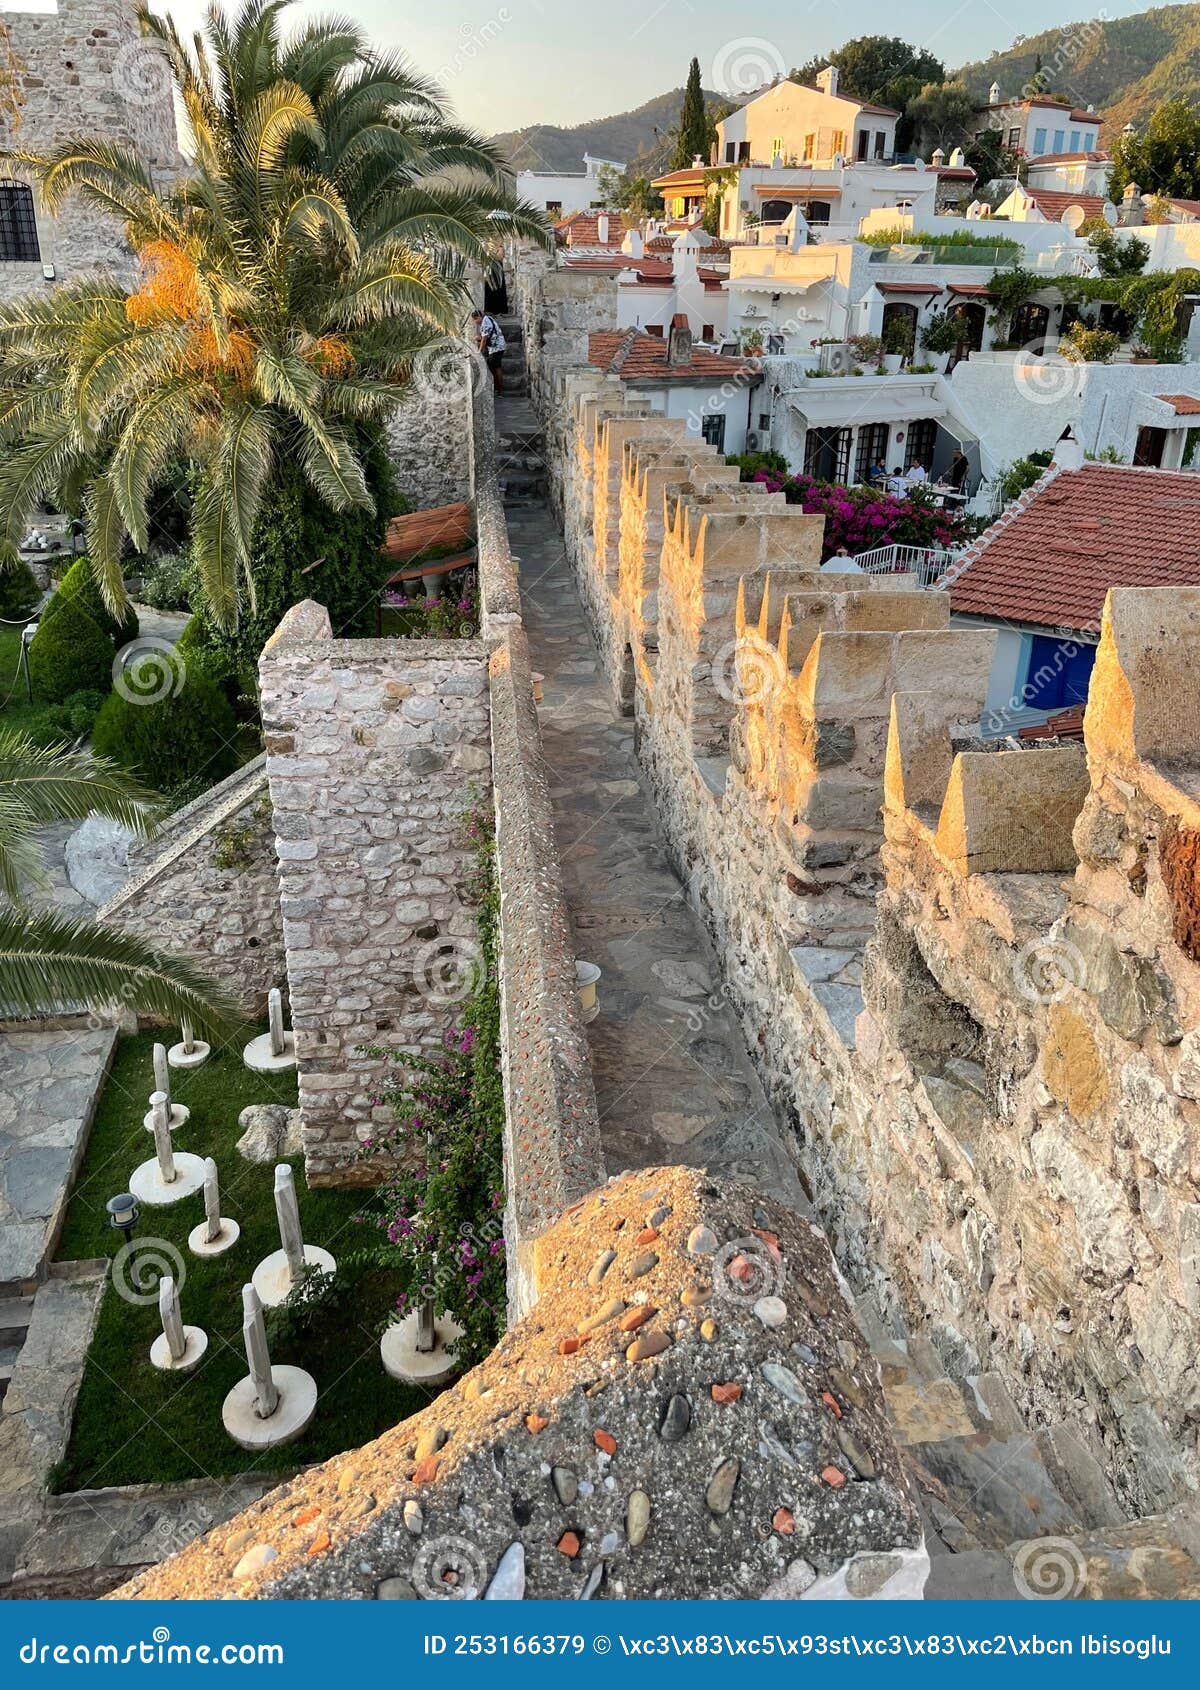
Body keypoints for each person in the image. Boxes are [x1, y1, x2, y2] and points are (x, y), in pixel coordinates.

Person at [472, 308, 506, 393]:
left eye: (476, 319)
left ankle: (500, 389)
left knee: (495, 367)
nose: (475, 322)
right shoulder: (487, 319)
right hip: (497, 346)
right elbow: (486, 336)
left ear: (480, 316)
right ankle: (497, 388)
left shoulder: (485, 324)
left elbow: (484, 340)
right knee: (493, 366)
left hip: (497, 347)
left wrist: (479, 351)